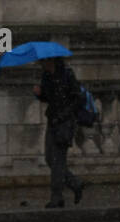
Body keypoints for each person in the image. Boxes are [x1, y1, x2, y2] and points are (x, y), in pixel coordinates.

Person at [33, 57, 84, 209]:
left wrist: (63, 115)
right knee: (50, 158)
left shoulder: (67, 74)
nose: (41, 65)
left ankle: (57, 196)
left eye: (43, 62)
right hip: (53, 121)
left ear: (52, 61)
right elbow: (48, 98)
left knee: (58, 160)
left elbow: (77, 99)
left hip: (64, 123)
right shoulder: (46, 76)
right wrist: (39, 94)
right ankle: (74, 183)